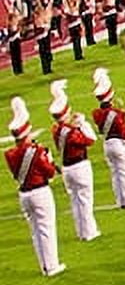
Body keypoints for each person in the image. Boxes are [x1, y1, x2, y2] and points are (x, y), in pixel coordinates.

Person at [5, 95, 64, 275]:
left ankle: (44, 266)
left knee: (35, 231)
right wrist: (48, 158)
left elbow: (17, 174)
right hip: (40, 192)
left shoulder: (9, 154)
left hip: (24, 194)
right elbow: (50, 172)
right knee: (47, 228)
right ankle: (52, 266)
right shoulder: (36, 151)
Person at [46, 81, 99, 243]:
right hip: (79, 166)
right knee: (85, 200)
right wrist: (83, 123)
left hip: (67, 169)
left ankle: (81, 231)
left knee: (75, 201)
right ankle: (89, 232)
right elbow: (91, 139)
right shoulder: (71, 132)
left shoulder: (56, 129)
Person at [89, 65, 125, 211]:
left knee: (115, 174)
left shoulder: (96, 113)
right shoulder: (117, 113)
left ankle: (119, 200)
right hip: (119, 144)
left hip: (107, 144)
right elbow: (124, 134)